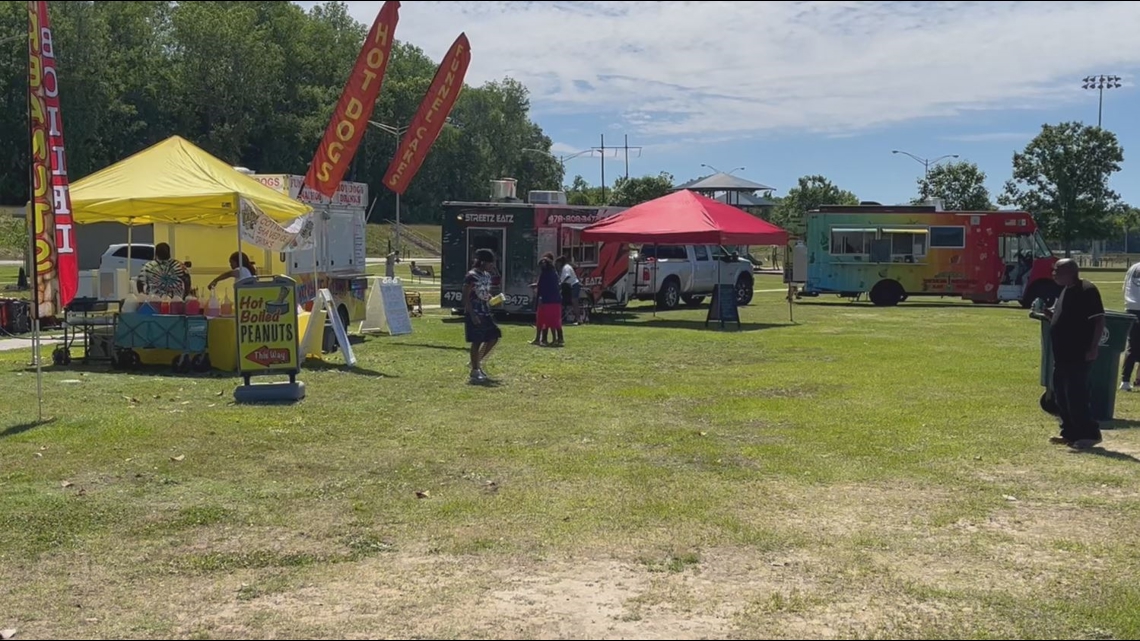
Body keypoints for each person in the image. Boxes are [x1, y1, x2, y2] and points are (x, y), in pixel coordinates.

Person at [1044, 259, 1105, 449]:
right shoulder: (1066, 290)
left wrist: (1093, 347)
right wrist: (1049, 315)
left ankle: (1090, 433)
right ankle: (1070, 433)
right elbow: (1065, 317)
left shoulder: (1086, 290)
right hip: (1062, 355)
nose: (1053, 274)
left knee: (1076, 394)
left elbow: (1099, 320)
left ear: (1070, 272)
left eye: (1057, 271)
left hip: (1079, 352)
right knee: (1061, 394)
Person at [464, 248, 502, 383]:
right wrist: (472, 314)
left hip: (485, 311)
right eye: (490, 263)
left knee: (494, 336)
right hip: (475, 312)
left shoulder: (487, 275)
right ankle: (475, 370)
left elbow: (483, 292)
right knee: (477, 340)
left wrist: (491, 298)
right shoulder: (471, 276)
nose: (492, 266)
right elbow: (467, 296)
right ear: (482, 262)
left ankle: (476, 362)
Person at [533, 255, 563, 347]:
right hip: (554, 301)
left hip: (548, 301)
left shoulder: (546, 274)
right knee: (552, 321)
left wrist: (539, 298)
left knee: (547, 321)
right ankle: (553, 339)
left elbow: (542, 287)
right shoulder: (554, 273)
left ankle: (545, 339)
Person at [1120, 259, 1140, 390]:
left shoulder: (1133, 267)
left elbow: (1124, 287)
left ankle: (1125, 380)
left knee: (1132, 345)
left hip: (1131, 307)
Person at [557, 255, 583, 325]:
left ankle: (578, 319)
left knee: (575, 302)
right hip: (571, 286)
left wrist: (561, 283)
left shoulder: (566, 268)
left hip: (574, 285)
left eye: (558, 263)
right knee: (571, 302)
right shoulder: (565, 267)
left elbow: (567, 276)